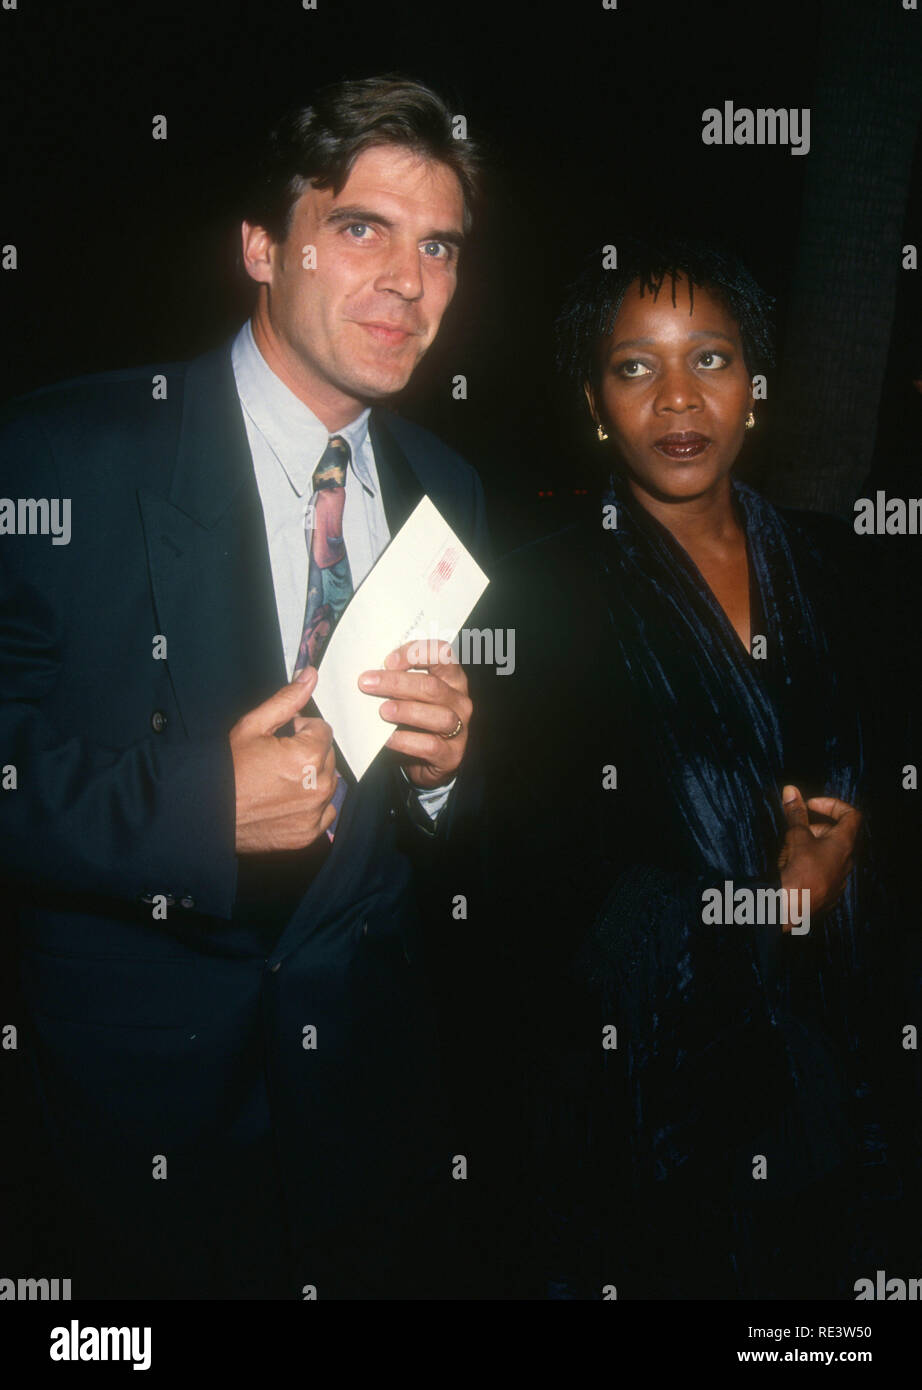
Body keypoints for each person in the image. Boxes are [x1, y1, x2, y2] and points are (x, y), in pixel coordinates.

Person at [0, 75, 487, 1300]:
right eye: (362, 228)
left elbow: (440, 838)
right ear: (264, 247)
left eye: (438, 246)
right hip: (127, 1113)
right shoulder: (66, 453)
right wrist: (191, 814)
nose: (407, 281)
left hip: (359, 1109)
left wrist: (445, 774)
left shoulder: (450, 495)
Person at [473, 236, 920, 1299]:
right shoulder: (535, 600)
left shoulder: (845, 569)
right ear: (593, 403)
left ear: (754, 388)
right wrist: (753, 909)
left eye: (709, 359)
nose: (678, 398)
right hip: (653, 1106)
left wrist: (849, 857)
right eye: (634, 366)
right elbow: (517, 891)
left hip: (850, 1056)